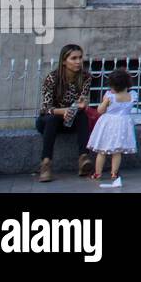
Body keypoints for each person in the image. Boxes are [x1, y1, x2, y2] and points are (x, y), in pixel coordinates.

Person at [35, 43, 93, 182]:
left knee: (83, 116)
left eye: (80, 57)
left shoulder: (86, 77)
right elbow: (45, 108)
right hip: (49, 121)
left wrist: (82, 104)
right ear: (64, 61)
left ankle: (83, 158)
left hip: (71, 119)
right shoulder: (52, 78)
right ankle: (46, 163)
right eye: (73, 58)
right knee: (52, 118)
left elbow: (81, 102)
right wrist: (63, 111)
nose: (78, 61)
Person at [87, 68, 138, 188]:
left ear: (112, 85)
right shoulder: (132, 96)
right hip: (123, 124)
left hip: (108, 124)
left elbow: (100, 110)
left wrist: (105, 102)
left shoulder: (110, 97)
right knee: (117, 151)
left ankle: (97, 173)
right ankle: (114, 173)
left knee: (102, 151)